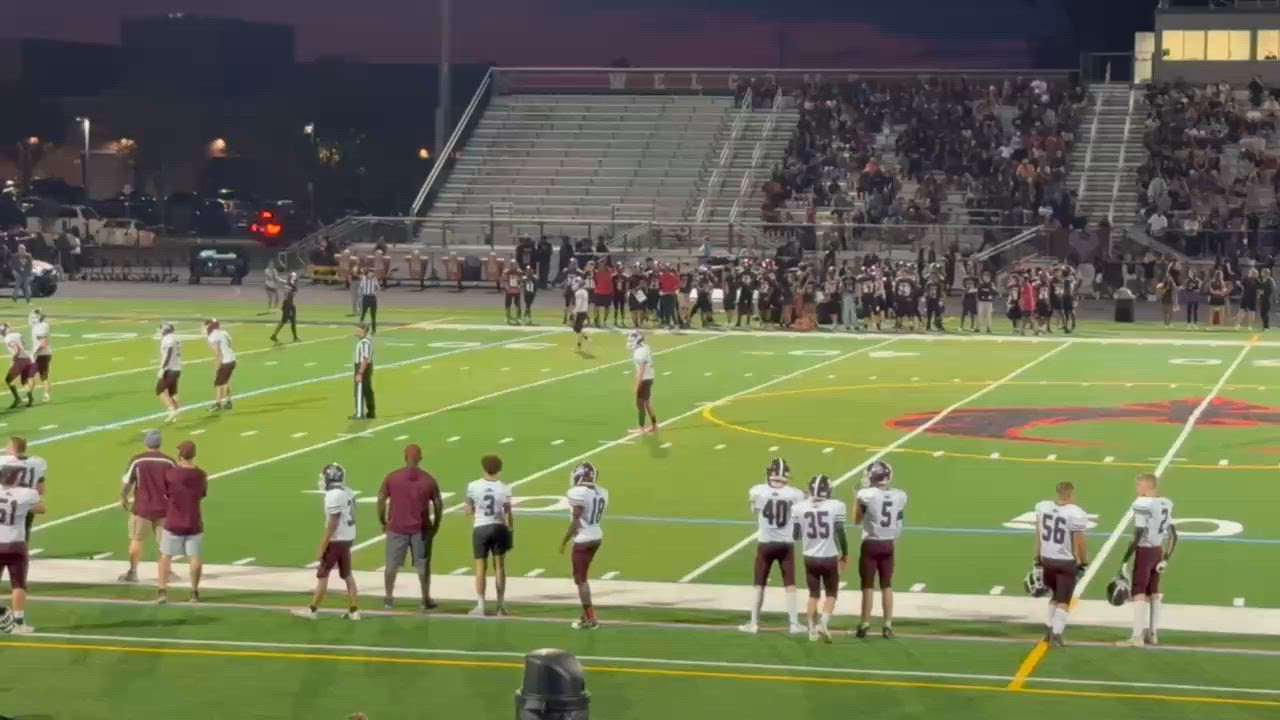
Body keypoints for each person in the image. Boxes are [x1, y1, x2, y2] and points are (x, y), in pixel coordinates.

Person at [739, 458, 805, 635]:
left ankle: (753, 623)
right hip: (786, 544)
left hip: (765, 543)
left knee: (759, 584)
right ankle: (794, 623)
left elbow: (755, 510)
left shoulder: (758, 491)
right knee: (790, 583)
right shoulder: (795, 494)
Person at [292, 463, 361, 621]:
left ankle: (312, 610)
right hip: (348, 537)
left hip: (337, 539)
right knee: (347, 574)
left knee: (323, 574)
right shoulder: (347, 491)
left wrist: (322, 546)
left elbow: (333, 522)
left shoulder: (333, 495)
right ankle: (354, 611)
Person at [377, 444, 442, 610]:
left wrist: (383, 521)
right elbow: (438, 503)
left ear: (404, 457)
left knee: (391, 565)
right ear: (420, 457)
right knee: (422, 566)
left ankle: (388, 597)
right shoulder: (428, 479)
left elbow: (381, 500)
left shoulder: (392, 477)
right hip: (420, 529)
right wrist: (436, 524)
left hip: (396, 527)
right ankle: (425, 598)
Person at [1116, 473, 1178, 647]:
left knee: (1139, 592)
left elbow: (1138, 534)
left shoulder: (1143, 503)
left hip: (1144, 551)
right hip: (1158, 551)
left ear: (1145, 486)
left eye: (1138, 485)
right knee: (1154, 592)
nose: (1137, 489)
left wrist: (1124, 560)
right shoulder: (1165, 503)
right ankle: (1153, 633)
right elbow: (1174, 534)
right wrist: (1166, 557)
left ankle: (1137, 637)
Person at [854, 460, 907, 639]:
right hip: (888, 543)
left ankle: (865, 623)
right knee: (887, 585)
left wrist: (856, 498)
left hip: (870, 543)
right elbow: (899, 523)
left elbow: (856, 520)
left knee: (868, 585)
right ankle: (888, 624)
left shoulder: (865, 494)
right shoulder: (900, 495)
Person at [1032, 481, 1089, 648]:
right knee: (1064, 600)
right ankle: (1056, 633)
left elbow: (1038, 532)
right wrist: (1084, 562)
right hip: (1064, 561)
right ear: (1071, 494)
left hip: (1046, 558)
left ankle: (1049, 628)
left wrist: (1037, 556)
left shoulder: (1043, 507)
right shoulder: (1075, 513)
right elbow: (1080, 542)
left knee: (1055, 596)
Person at [796, 474, 848, 643]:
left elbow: (795, 536)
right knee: (831, 593)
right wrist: (844, 553)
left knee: (813, 594)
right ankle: (823, 623)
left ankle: (812, 630)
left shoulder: (799, 507)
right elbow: (840, 532)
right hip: (828, 556)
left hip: (809, 556)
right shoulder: (836, 506)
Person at [118, 430, 175, 582]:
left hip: (142, 507)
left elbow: (128, 481)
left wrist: (123, 496)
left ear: (146, 442)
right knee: (165, 543)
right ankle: (166, 572)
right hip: (164, 508)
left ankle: (133, 572)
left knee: (136, 539)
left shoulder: (137, 460)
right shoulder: (169, 461)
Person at [156, 440, 207, 604]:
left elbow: (166, 493)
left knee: (165, 555)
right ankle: (194, 592)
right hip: (194, 521)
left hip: (173, 520)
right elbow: (202, 494)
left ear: (180, 455)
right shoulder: (201, 475)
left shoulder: (171, 474)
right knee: (194, 557)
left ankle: (162, 590)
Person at [561, 462, 609, 630]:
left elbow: (575, 521)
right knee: (583, 578)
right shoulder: (603, 492)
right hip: (597, 536)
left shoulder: (577, 492)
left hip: (583, 539)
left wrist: (564, 540)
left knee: (581, 580)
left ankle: (591, 618)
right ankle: (585, 614)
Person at [465, 454, 513, 617]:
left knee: (480, 569)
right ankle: (500, 606)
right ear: (499, 469)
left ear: (484, 468)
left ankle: (481, 606)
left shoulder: (473, 486)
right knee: (499, 567)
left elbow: (467, 511)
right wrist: (510, 531)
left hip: (480, 527)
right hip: (499, 527)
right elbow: (507, 513)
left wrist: (475, 507)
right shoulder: (505, 488)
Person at [0, 464, 44, 633]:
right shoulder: (26, 494)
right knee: (18, 584)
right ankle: (18, 623)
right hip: (15, 544)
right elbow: (41, 509)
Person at [628, 330, 657, 434]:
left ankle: (641, 428)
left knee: (640, 404)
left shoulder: (640, 352)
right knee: (647, 404)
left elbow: (641, 369)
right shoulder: (645, 347)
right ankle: (654, 425)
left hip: (644, 379)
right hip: (649, 377)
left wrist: (637, 384)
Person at [204, 319, 236, 412]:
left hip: (225, 361)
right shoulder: (224, 332)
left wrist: (217, 365)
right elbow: (229, 344)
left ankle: (218, 404)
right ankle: (228, 402)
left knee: (218, 383)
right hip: (232, 359)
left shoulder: (213, 336)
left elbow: (217, 352)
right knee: (224, 382)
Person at [1, 323, 34, 409]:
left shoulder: (8, 338)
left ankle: (17, 399)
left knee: (8, 380)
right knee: (24, 381)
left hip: (20, 360)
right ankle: (30, 399)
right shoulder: (18, 334)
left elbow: (16, 349)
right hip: (28, 358)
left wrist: (13, 360)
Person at [156, 322, 182, 423]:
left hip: (170, 369)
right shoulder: (175, 338)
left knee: (159, 390)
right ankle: (177, 413)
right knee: (173, 392)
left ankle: (171, 410)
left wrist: (162, 369)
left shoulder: (168, 339)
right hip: (177, 368)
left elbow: (169, 354)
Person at [351, 323, 375, 420]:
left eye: (358, 329)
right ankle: (371, 412)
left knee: (360, 390)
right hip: (364, 367)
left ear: (363, 331)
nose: (356, 331)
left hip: (362, 367)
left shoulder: (364, 343)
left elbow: (365, 358)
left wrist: (360, 373)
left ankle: (360, 413)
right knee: (367, 390)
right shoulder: (364, 341)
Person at [29, 308, 52, 403]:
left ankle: (29, 395)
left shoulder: (40, 327)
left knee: (30, 375)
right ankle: (46, 395)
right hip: (45, 354)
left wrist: (35, 353)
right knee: (43, 376)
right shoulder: (42, 325)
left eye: (33, 317)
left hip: (41, 355)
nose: (31, 319)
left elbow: (43, 342)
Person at [270, 272, 300, 343]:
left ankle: (295, 337)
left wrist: (277, 278)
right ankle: (274, 335)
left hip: (290, 305)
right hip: (288, 305)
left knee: (291, 321)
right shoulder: (291, 287)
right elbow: (289, 296)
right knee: (285, 321)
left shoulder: (290, 285)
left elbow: (282, 281)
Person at [358, 267, 380, 333]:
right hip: (366, 297)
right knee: (363, 313)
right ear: (368, 273)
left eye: (373, 272)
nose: (372, 274)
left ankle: (373, 330)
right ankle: (360, 329)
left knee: (373, 315)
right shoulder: (364, 279)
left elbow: (378, 287)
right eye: (371, 272)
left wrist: (375, 284)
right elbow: (360, 287)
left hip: (372, 297)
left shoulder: (374, 279)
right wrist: (360, 297)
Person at [572, 277, 591, 352]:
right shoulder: (585, 291)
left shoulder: (578, 292)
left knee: (577, 330)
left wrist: (574, 312)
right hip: (584, 311)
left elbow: (579, 304)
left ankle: (582, 343)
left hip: (580, 312)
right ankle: (584, 339)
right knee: (578, 329)